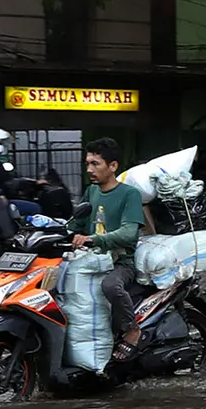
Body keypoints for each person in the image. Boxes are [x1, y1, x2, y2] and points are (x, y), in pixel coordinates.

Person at [71, 137, 150, 363]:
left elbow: (129, 233)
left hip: (120, 262)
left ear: (113, 166)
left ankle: (132, 329)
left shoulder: (129, 194)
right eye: (88, 163)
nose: (89, 169)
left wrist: (93, 239)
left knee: (110, 285)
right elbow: (76, 223)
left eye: (95, 164)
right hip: (90, 259)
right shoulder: (91, 192)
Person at [0, 128, 40, 221]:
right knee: (34, 208)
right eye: (0, 142)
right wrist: (33, 183)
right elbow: (9, 182)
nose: (3, 145)